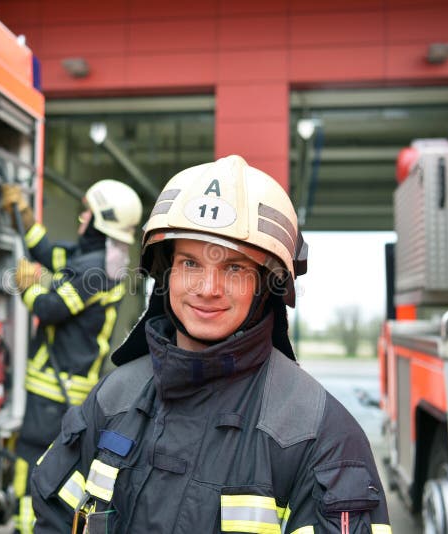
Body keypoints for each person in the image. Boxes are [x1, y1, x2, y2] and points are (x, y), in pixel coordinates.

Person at [28, 155, 392, 533]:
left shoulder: (320, 436)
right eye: (190, 264)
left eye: (234, 268)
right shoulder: (113, 398)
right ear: (166, 272)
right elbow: (54, 519)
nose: (207, 289)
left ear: (266, 286)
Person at [3, 179, 143, 534]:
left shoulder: (93, 270)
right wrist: (24, 217)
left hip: (55, 389)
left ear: (99, 220)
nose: (81, 215)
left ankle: (25, 526)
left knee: (31, 463)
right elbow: (50, 254)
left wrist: (27, 287)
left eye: (88, 211)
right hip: (67, 385)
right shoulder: (100, 259)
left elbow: (51, 308)